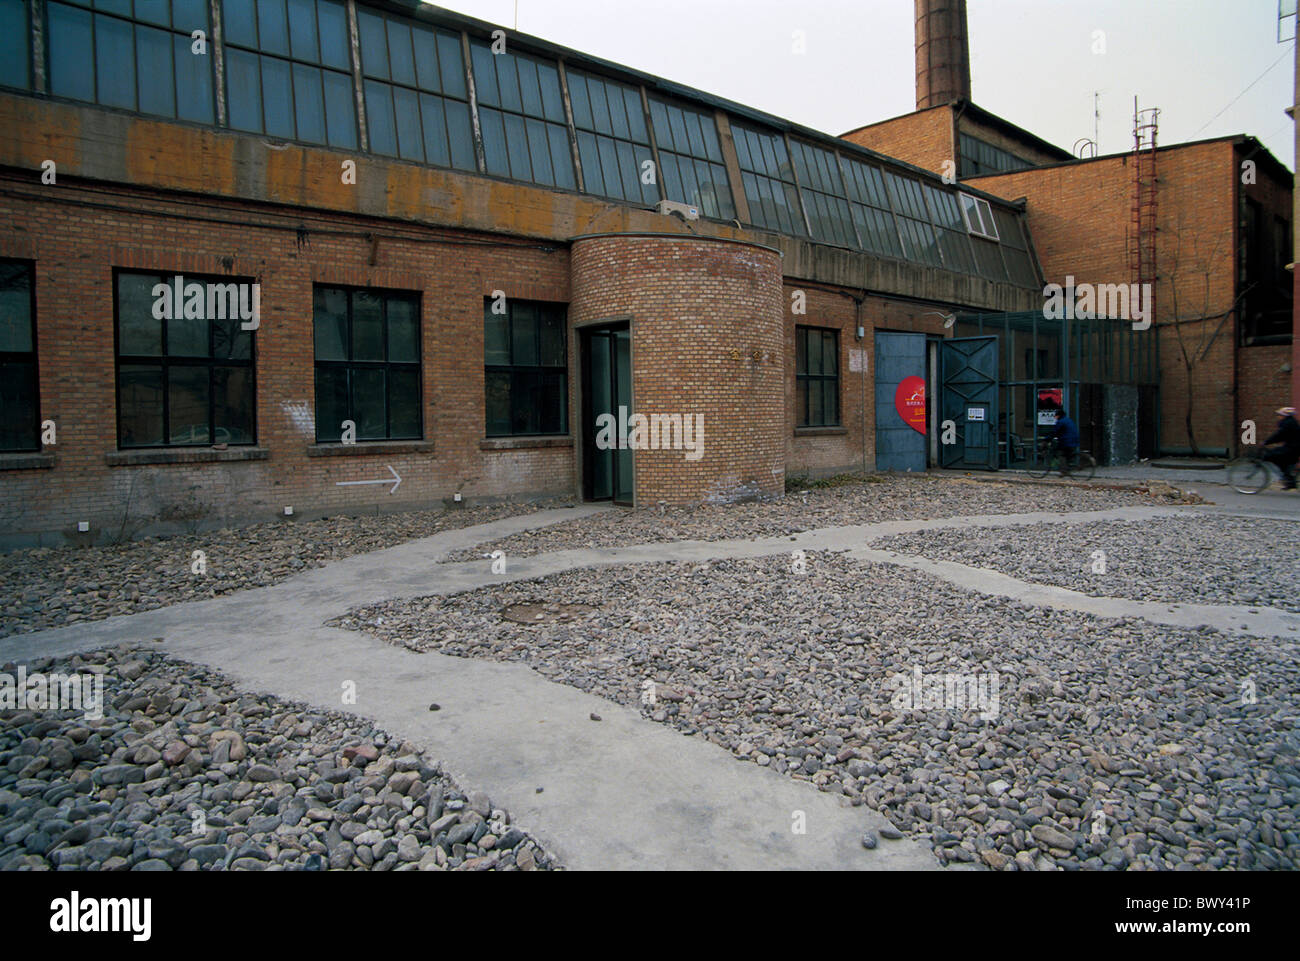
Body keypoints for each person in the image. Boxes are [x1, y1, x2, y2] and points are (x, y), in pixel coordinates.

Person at [1262, 406, 1300, 490]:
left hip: (1293, 448)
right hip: (1293, 447)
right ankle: (1289, 478)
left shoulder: (1287, 424)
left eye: (1279, 415)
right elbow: (1281, 436)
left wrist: (1266, 442)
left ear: (1284, 416)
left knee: (1271, 456)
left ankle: (1289, 479)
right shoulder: (1291, 422)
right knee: (1280, 458)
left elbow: (1278, 436)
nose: (1278, 417)